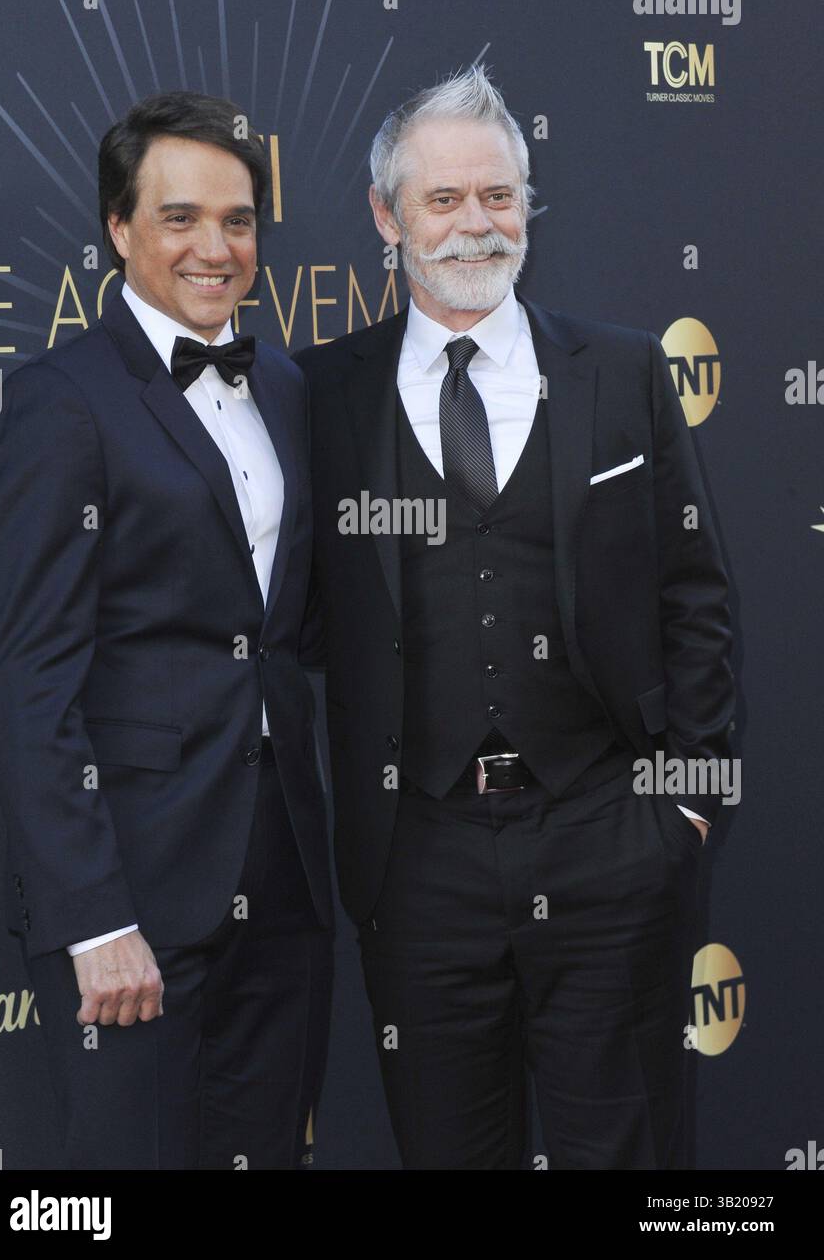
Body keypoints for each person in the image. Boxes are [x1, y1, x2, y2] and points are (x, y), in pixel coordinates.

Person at [295, 64, 734, 1170]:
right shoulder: (320, 396)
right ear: (387, 218)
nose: (475, 224)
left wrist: (679, 816)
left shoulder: (624, 373)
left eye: (498, 196)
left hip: (605, 841)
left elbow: (699, 594)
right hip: (420, 861)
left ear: (527, 206)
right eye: (443, 200)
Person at [0, 90, 333, 1170]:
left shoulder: (282, 383)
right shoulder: (61, 401)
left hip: (280, 876)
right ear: (120, 230)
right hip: (133, 889)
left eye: (238, 219)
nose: (215, 248)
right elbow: (28, 677)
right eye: (180, 217)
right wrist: (92, 919)